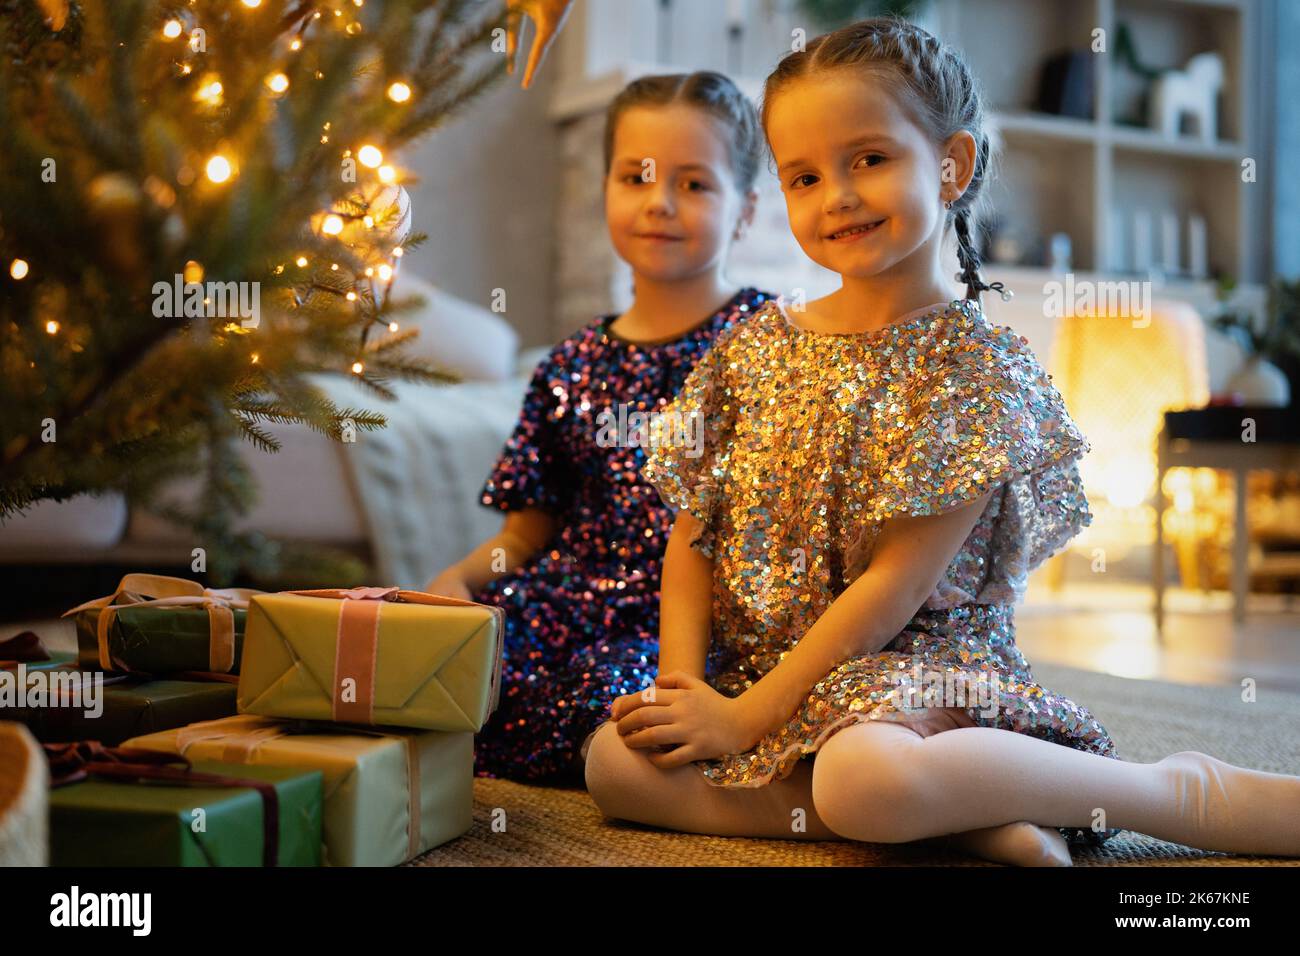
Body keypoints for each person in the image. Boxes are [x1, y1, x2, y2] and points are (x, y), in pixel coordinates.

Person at [583, 17, 1300, 865]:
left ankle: (1169, 789)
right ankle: (974, 816)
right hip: (766, 669)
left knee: (862, 781)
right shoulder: (752, 346)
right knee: (611, 765)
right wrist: (688, 689)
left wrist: (744, 721)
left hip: (916, 668)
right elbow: (692, 530)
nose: (836, 196)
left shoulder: (971, 368)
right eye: (803, 176)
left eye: (870, 160)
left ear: (951, 166)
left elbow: (893, 585)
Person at [428, 71, 774, 784]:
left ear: (745, 211)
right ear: (606, 189)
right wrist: (457, 582)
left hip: (697, 621)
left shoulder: (770, 343)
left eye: (695, 184)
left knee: (621, 696)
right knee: (456, 656)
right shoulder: (569, 363)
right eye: (636, 177)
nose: (660, 203)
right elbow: (527, 532)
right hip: (571, 596)